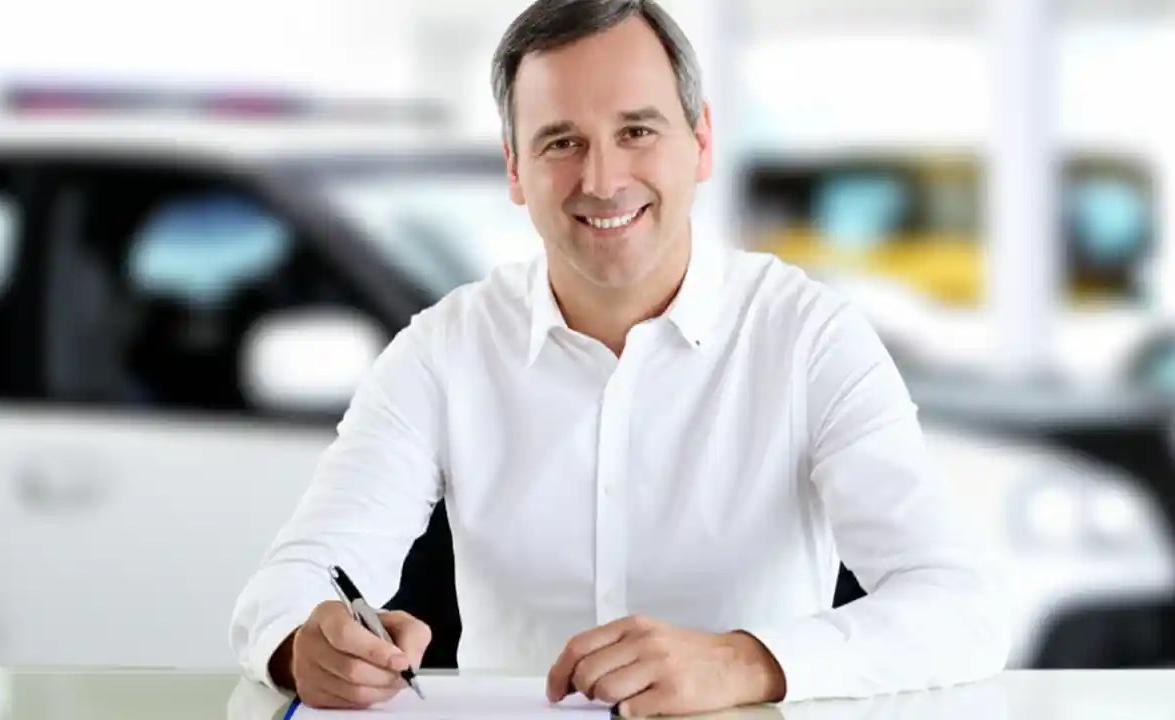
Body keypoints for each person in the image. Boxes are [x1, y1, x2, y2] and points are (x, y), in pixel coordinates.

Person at [230, 0, 1010, 714]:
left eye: (636, 131)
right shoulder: (443, 350)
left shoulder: (809, 338)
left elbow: (959, 607)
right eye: (561, 142)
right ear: (514, 168)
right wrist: (308, 647)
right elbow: (293, 580)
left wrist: (742, 664)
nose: (602, 180)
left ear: (700, 142)